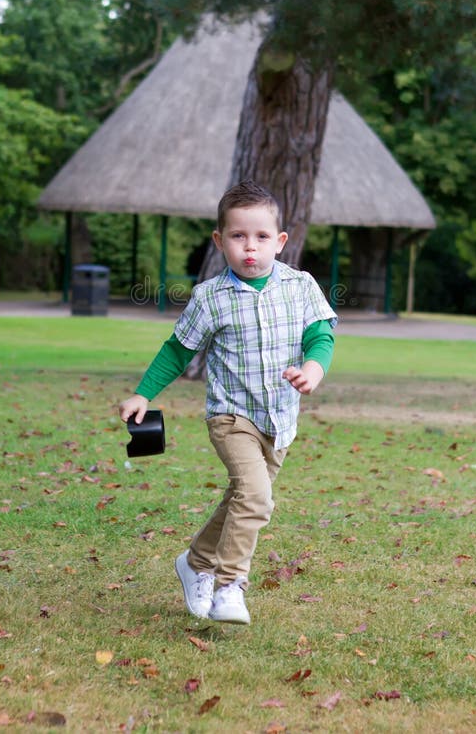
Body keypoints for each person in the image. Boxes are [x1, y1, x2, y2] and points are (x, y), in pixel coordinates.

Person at [119, 180, 337, 624]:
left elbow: (321, 335)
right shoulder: (209, 298)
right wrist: (144, 392)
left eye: (260, 237)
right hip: (230, 417)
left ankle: (194, 562)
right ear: (220, 242)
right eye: (238, 236)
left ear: (279, 242)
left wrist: (313, 368)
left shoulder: (300, 286)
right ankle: (230, 587)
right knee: (256, 498)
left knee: (243, 497)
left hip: (279, 420)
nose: (250, 248)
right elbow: (178, 349)